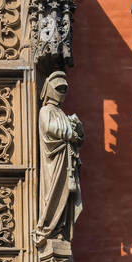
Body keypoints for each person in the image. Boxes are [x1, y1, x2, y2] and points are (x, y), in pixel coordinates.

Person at [37, 71, 84, 242]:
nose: (62, 92)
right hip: (54, 161)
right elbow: (50, 128)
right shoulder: (46, 111)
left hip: (66, 160)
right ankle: (50, 229)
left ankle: (61, 230)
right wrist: (71, 132)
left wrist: (78, 129)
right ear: (50, 89)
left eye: (64, 89)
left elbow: (78, 137)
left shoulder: (62, 113)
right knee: (54, 193)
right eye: (59, 89)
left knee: (66, 197)